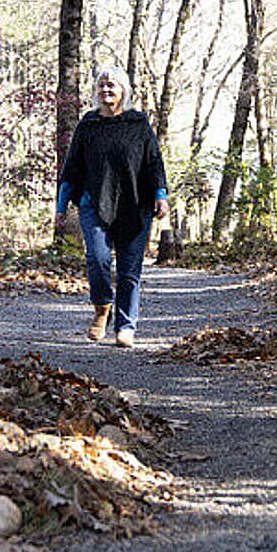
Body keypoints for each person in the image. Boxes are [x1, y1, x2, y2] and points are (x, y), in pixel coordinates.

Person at [56, 66, 168, 348]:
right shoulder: (88, 125)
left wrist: (161, 194)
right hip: (93, 203)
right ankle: (102, 307)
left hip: (135, 204)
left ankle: (126, 326)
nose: (106, 90)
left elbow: (154, 161)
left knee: (129, 269)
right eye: (102, 85)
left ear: (123, 91)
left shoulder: (138, 124)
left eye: (112, 85)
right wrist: (61, 206)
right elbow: (72, 166)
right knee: (98, 258)